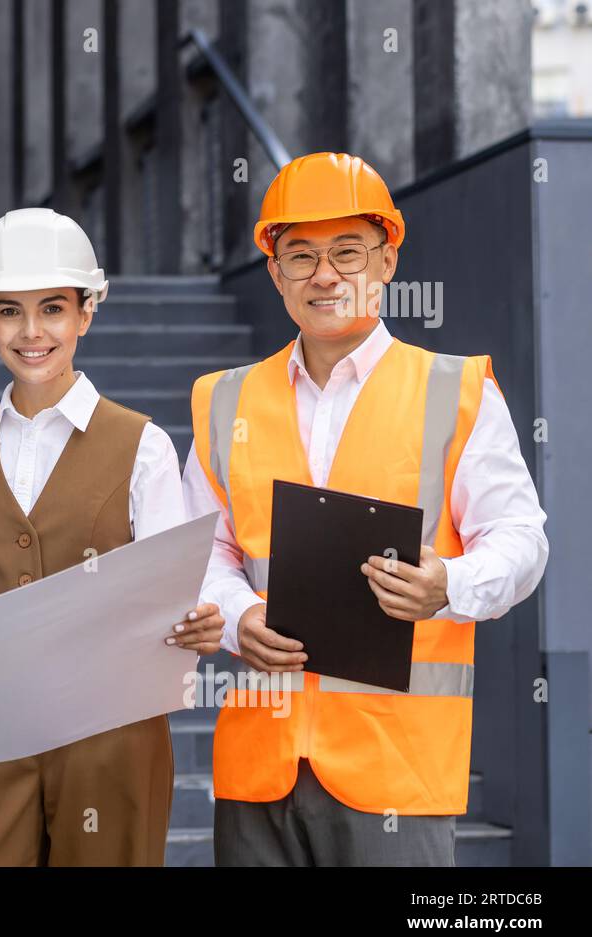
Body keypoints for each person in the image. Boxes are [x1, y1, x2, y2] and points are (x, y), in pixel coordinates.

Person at [182, 152, 549, 866]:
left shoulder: (456, 390)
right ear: (275, 271)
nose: (325, 274)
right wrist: (236, 616)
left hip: (397, 770)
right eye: (302, 255)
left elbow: (522, 541)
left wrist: (449, 584)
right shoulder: (225, 401)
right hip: (261, 766)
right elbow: (200, 552)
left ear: (386, 262)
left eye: (348, 252)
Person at [0, 208, 224, 866]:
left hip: (111, 738)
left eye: (52, 308)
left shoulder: (143, 447)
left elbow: (172, 606)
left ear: (86, 312)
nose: (31, 332)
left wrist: (194, 628)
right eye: (9, 311)